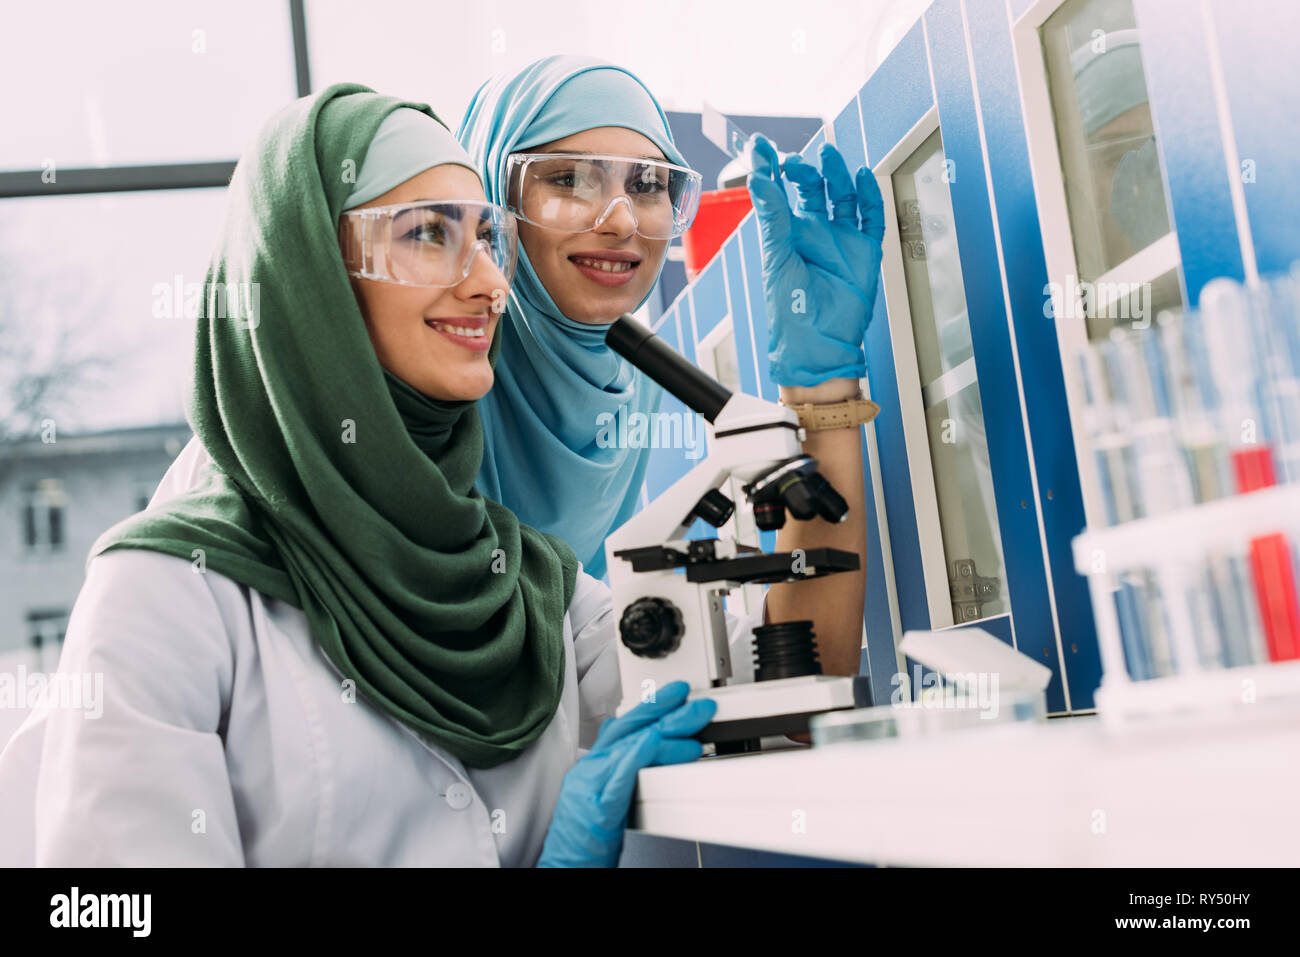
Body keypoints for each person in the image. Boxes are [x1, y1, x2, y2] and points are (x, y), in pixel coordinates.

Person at [0, 84, 757, 867]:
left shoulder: (532, 585)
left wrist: (825, 401)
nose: (492, 284)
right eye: (430, 234)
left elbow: (758, 678)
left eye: (488, 237)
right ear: (311, 279)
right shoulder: (169, 593)